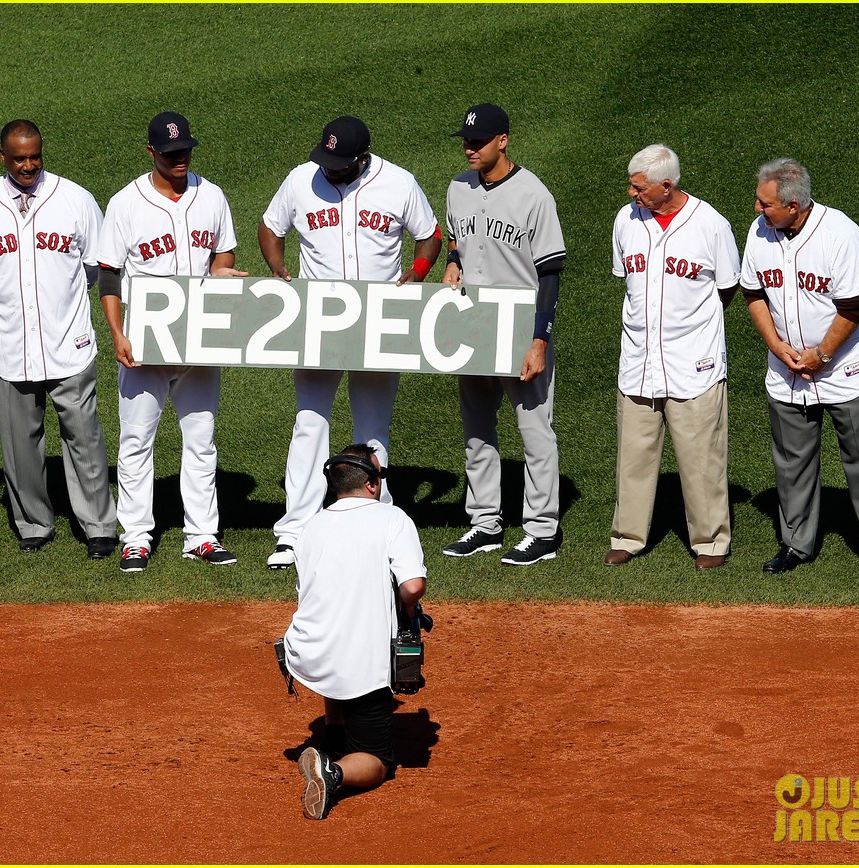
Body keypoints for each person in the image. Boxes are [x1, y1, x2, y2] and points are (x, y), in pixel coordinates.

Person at [258, 115, 441, 569]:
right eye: (327, 159)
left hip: (379, 322)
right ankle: (296, 530)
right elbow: (269, 226)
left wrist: (416, 274)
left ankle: (375, 524)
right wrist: (279, 269)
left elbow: (430, 236)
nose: (330, 169)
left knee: (373, 428)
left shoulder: (398, 182)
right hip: (319, 320)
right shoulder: (302, 179)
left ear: (363, 157)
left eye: (340, 163)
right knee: (309, 422)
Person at [0, 120, 118, 558]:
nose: (28, 165)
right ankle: (33, 523)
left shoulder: (75, 199)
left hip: (69, 342)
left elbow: (94, 268)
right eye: (18, 159)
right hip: (10, 346)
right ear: (3, 157)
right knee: (19, 443)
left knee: (84, 437)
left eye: (35, 156)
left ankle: (99, 524)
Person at [96, 112, 246, 573]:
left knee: (201, 440)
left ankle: (201, 536)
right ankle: (136, 537)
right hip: (145, 345)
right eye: (170, 154)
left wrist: (222, 269)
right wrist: (117, 334)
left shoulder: (212, 195)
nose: (180, 159)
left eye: (185, 151)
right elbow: (108, 274)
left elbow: (224, 251)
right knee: (137, 441)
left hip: (200, 343)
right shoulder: (125, 204)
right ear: (151, 153)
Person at [740, 158, 859, 576]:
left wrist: (821, 354)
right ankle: (795, 545)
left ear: (793, 206)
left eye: (765, 203)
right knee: (792, 463)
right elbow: (752, 292)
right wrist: (776, 345)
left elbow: (854, 305)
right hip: (787, 370)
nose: (757, 209)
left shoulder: (840, 234)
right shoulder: (760, 233)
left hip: (844, 368)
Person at [442, 103, 565, 565]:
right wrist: (452, 263)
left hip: (519, 328)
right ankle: (484, 523)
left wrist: (539, 341)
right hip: (472, 325)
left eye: (478, 142)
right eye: (466, 142)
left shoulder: (534, 195)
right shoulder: (458, 186)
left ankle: (542, 530)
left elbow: (550, 272)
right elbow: (456, 239)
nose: (470, 149)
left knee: (534, 429)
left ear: (503, 141)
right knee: (476, 429)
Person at [606, 144, 739, 570]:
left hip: (693, 363)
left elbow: (727, 289)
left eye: (639, 186)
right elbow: (626, 281)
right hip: (639, 361)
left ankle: (710, 542)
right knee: (634, 457)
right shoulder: (625, 221)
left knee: (702, 460)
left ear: (667, 185)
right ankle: (627, 536)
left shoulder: (711, 225)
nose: (631, 193)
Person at [282, 443, 427, 820]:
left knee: (340, 634)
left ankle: (332, 737)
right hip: (358, 661)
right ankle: (335, 771)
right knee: (379, 761)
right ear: (372, 485)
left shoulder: (310, 526)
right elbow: (412, 586)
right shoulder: (392, 519)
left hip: (308, 650)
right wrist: (408, 614)